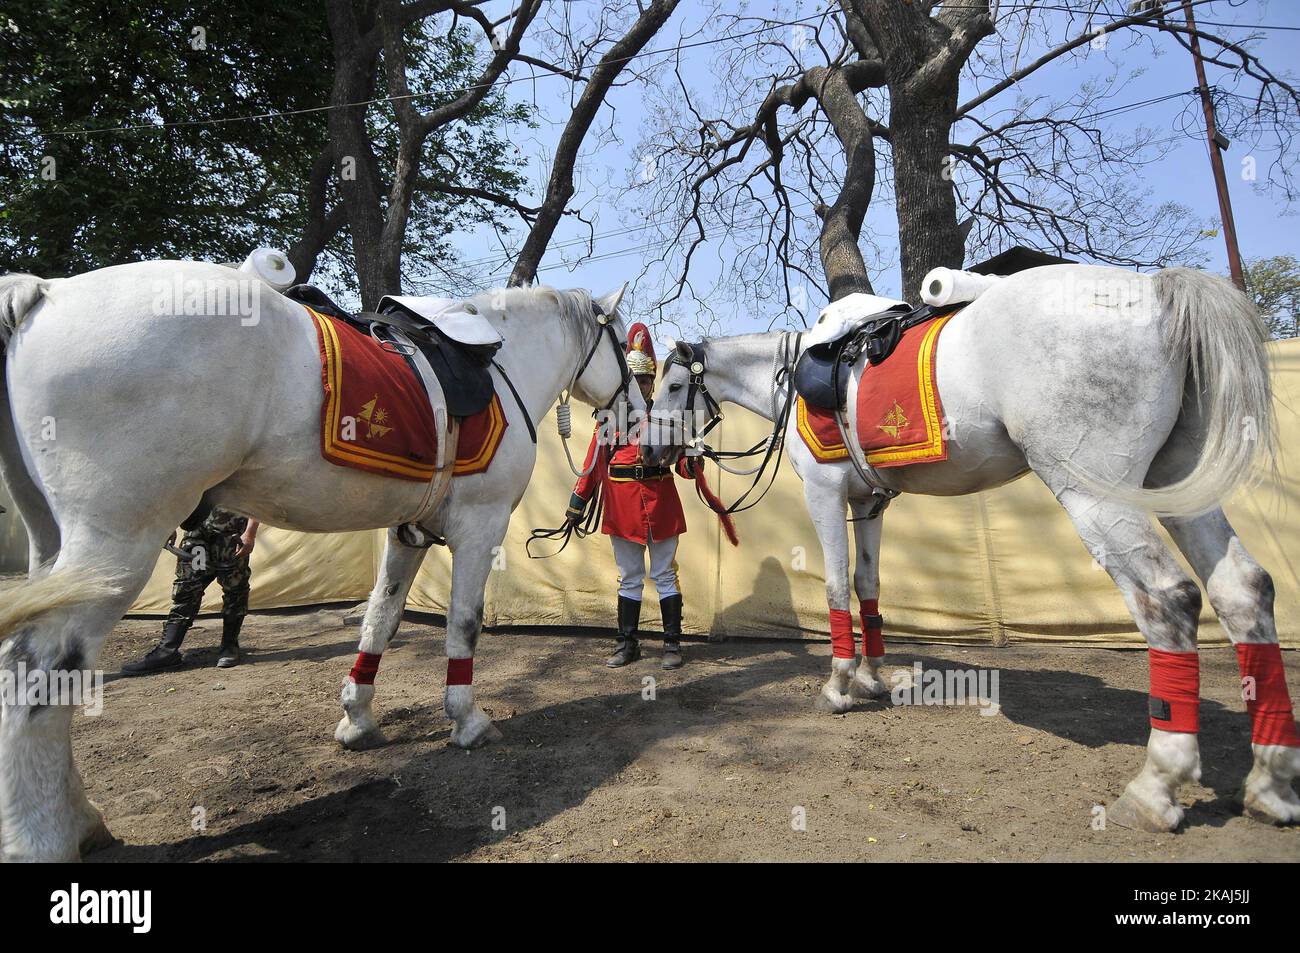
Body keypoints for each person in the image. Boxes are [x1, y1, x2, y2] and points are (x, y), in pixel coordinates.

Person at [566, 324, 697, 669]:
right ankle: (627, 644)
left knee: (665, 574)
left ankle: (672, 644)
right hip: (622, 508)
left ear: (653, 382)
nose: (641, 386)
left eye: (645, 380)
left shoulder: (669, 416)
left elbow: (682, 463)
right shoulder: (610, 418)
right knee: (629, 576)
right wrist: (578, 502)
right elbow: (594, 463)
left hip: (661, 504)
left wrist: (692, 463)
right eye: (635, 379)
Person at [121, 508, 259, 675]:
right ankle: (167, 652)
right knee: (186, 588)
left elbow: (255, 497)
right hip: (196, 535)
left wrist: (250, 533)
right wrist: (169, 525)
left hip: (231, 534)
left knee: (235, 589)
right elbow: (183, 490)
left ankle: (229, 647)